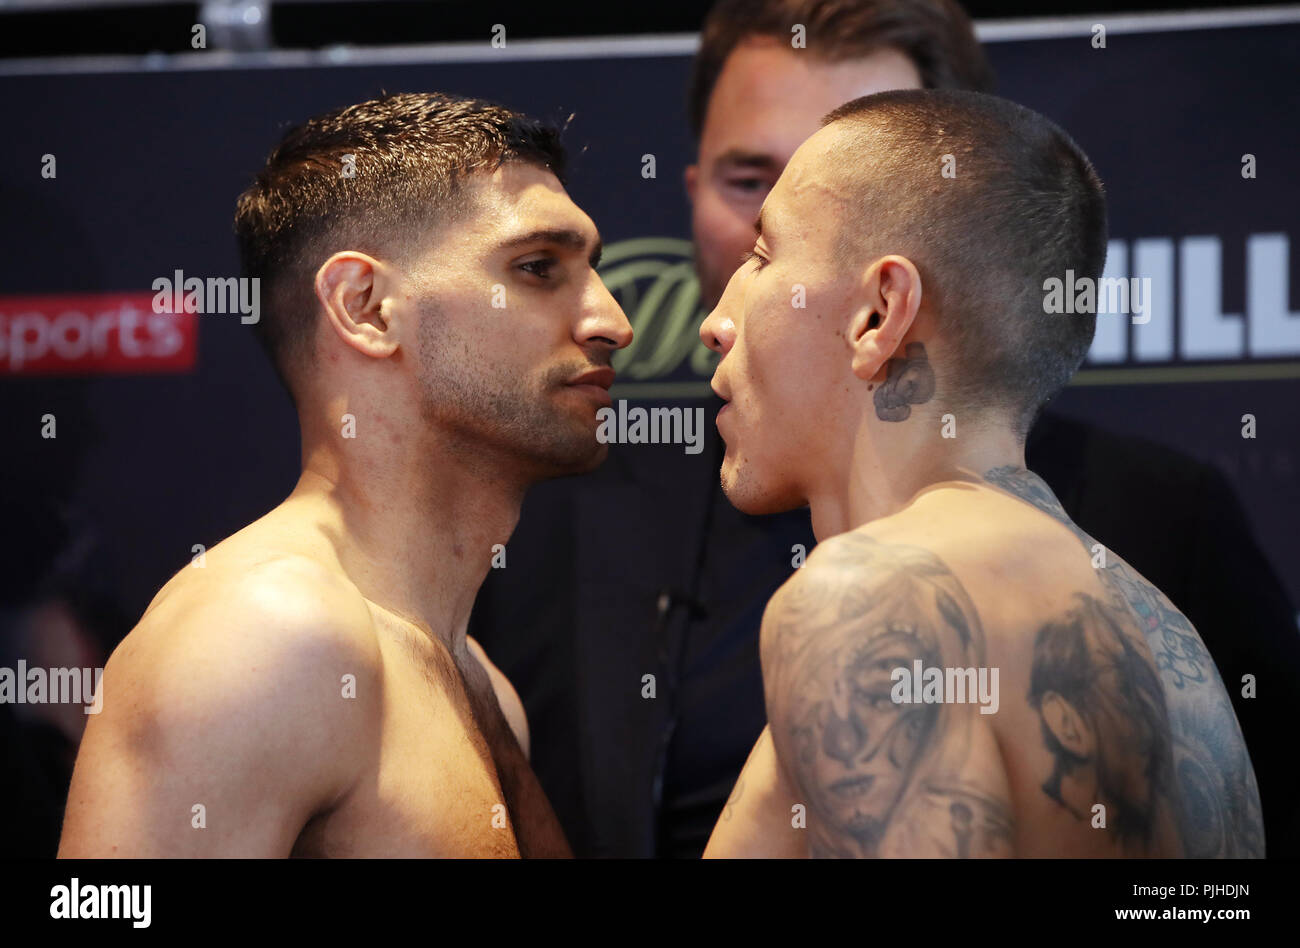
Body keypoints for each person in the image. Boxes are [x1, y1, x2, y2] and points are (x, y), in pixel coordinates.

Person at [57, 92, 631, 857]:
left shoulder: (478, 679)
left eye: (592, 269)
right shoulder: (267, 634)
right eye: (536, 269)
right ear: (365, 307)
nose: (611, 321)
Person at [698, 89, 1264, 858]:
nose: (716, 322)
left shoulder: (867, 601)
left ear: (879, 315)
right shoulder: (1169, 639)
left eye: (763, 257)